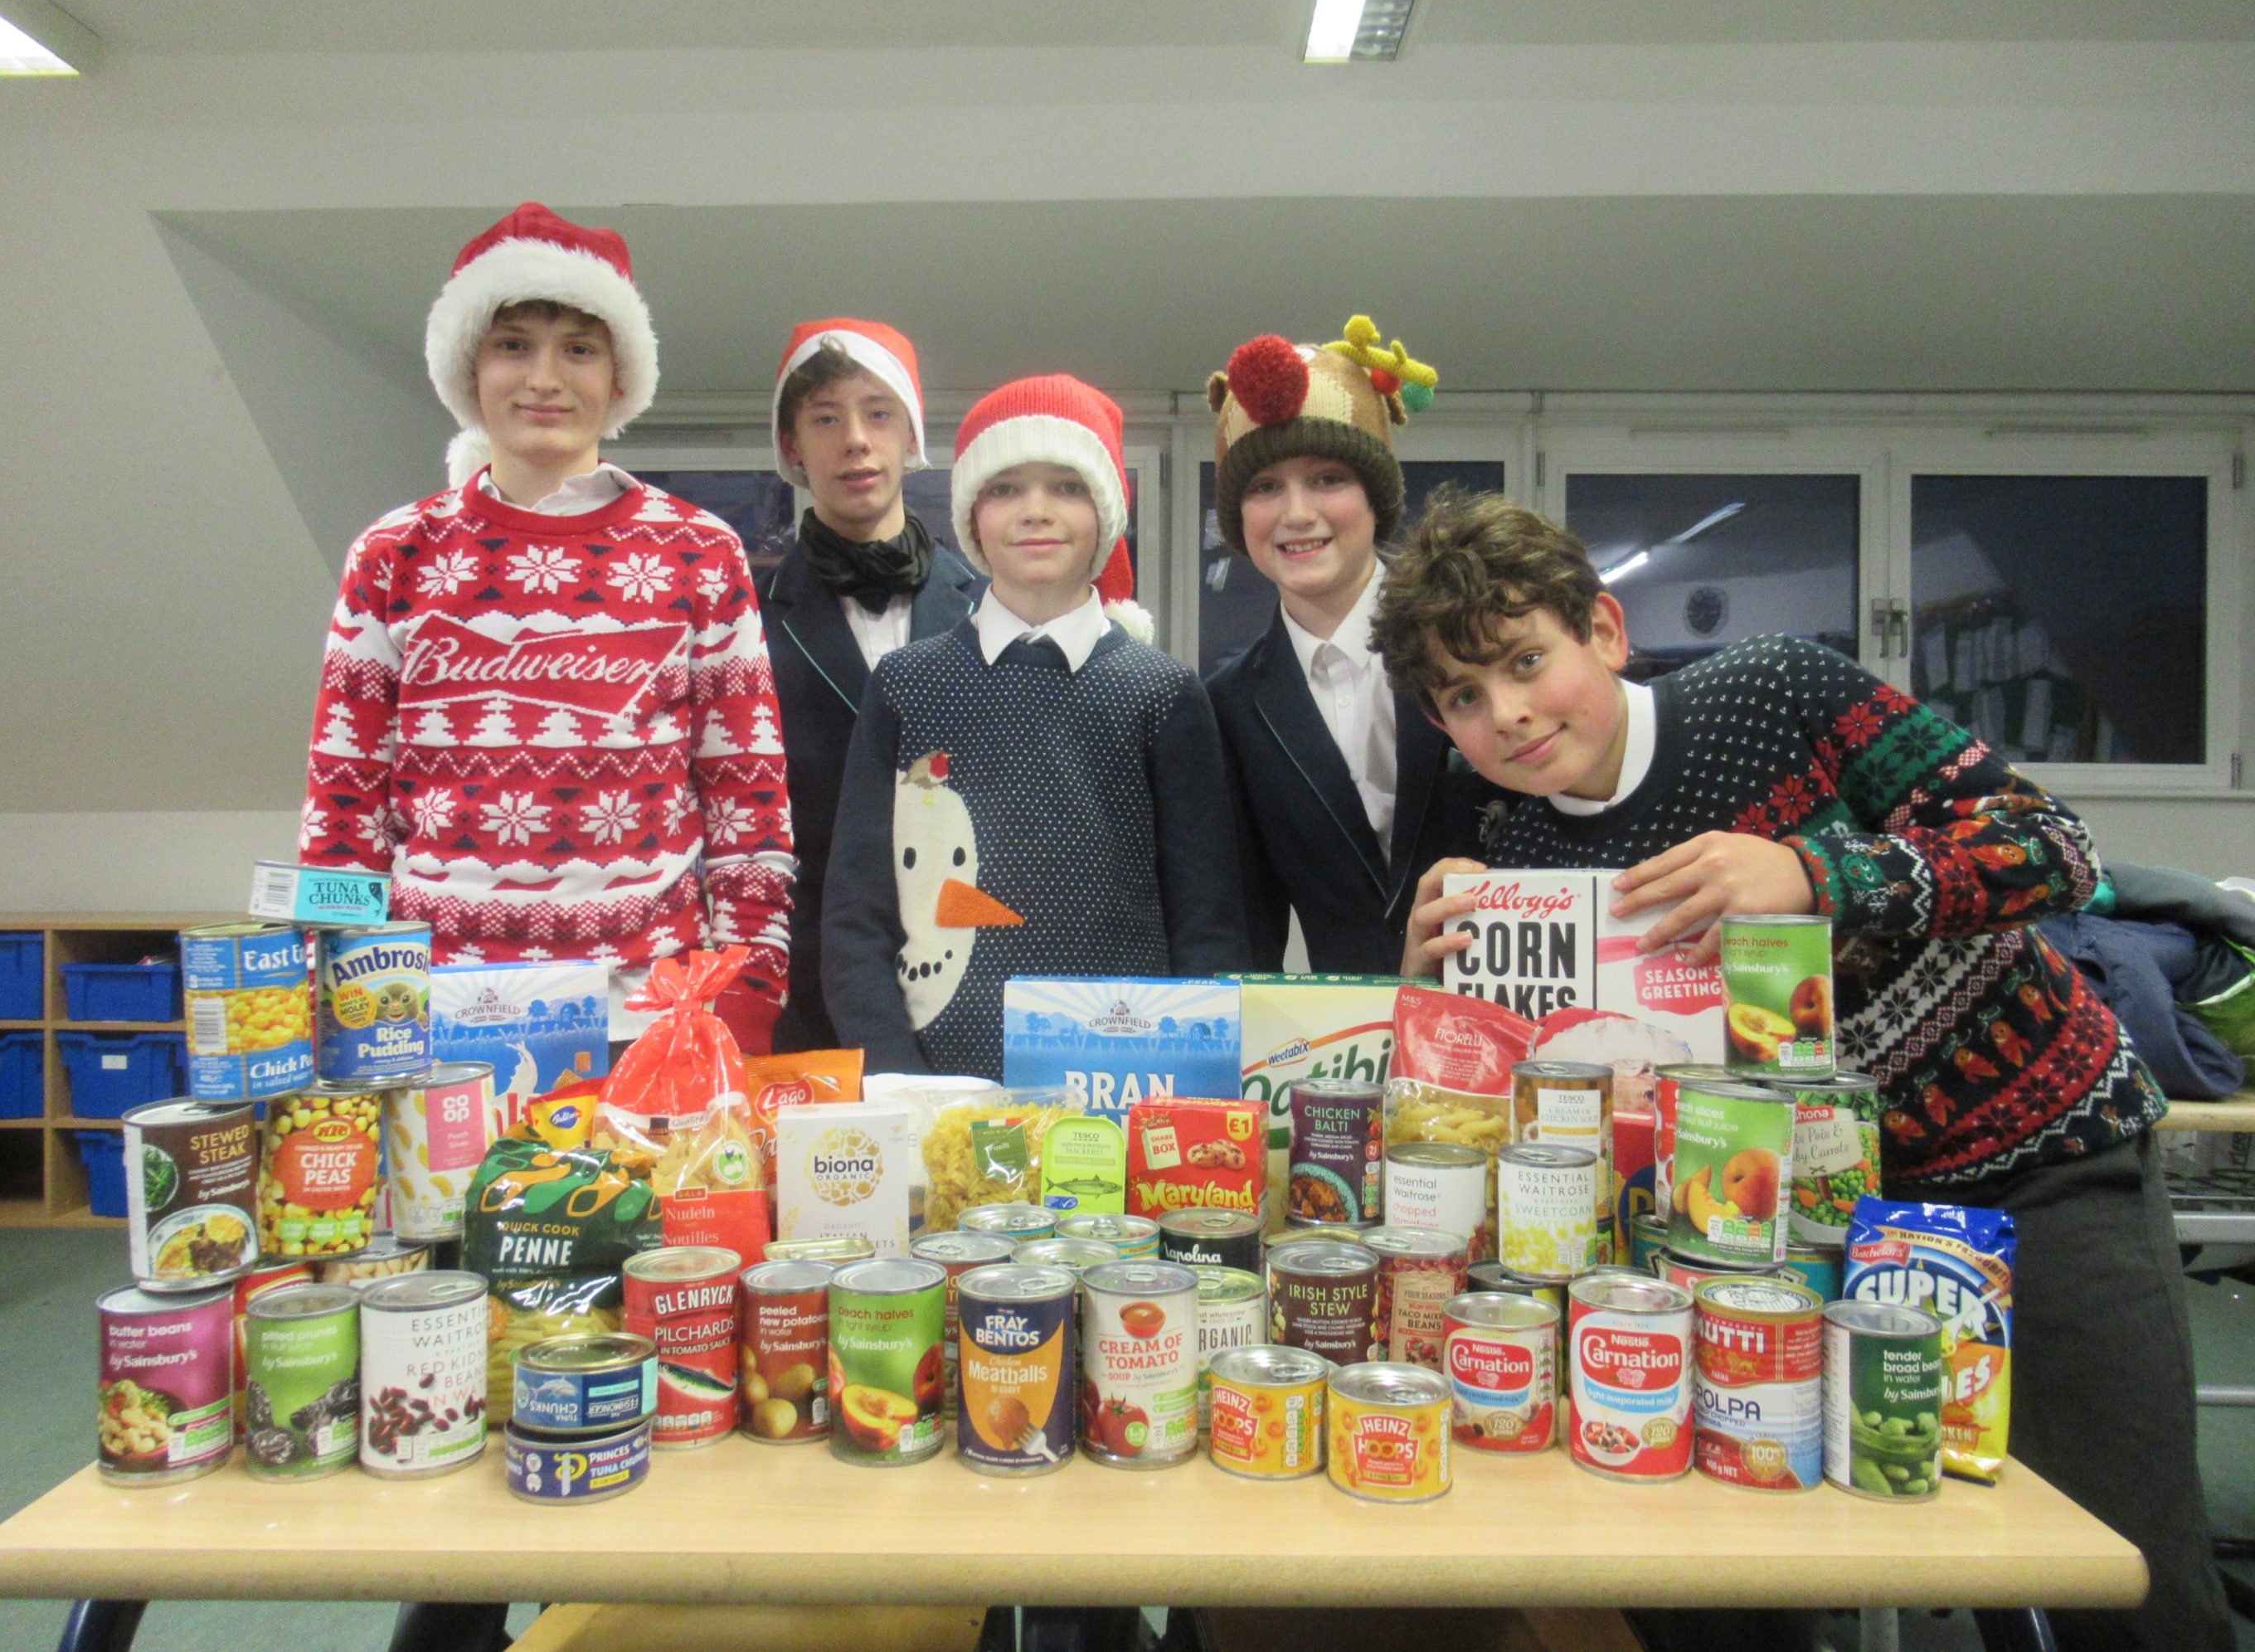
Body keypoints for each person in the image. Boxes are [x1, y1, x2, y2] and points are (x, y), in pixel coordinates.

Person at [1380, 493, 2227, 1652]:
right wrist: (1445, 994)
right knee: (1781, 1561)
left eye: (1528, 661)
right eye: (1463, 700)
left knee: (2121, 1574)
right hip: (1792, 1241)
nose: (1510, 715)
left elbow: (2052, 848)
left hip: (2036, 1169)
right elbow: (1574, 1110)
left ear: (1607, 633)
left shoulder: (1775, 692)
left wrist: (1811, 870)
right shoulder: (1519, 851)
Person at [301, 202, 795, 1055]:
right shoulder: (394, 554)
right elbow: (343, 808)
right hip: (438, 1016)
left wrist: (747, 997)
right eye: (512, 344)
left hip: (651, 1017)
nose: (544, 377)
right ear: (469, 366)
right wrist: (335, 999)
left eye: (578, 348)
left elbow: (746, 799)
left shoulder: (698, 552)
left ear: (617, 376)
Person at [821, 374, 1248, 1073]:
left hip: (1124, 1085)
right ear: (972, 515)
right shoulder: (903, 686)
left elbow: (1208, 931)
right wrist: (896, 1076)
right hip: (937, 1090)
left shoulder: (1164, 694)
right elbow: (855, 919)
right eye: (1006, 488)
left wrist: (1190, 1086)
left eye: (1068, 487)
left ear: (1106, 514)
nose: (1036, 511)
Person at [1200, 318, 1493, 973]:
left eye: (1328, 479)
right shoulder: (1229, 708)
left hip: (1513, 1021)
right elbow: (1246, 924)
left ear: (1375, 497)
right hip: (1347, 1049)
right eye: (1265, 487)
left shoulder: (1474, 643)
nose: (1297, 514)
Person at [760, 321, 981, 1052]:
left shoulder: (990, 610)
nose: (855, 438)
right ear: (792, 446)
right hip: (805, 987)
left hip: (972, 973)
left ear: (911, 432)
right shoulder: (744, 621)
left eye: (878, 412)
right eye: (825, 418)